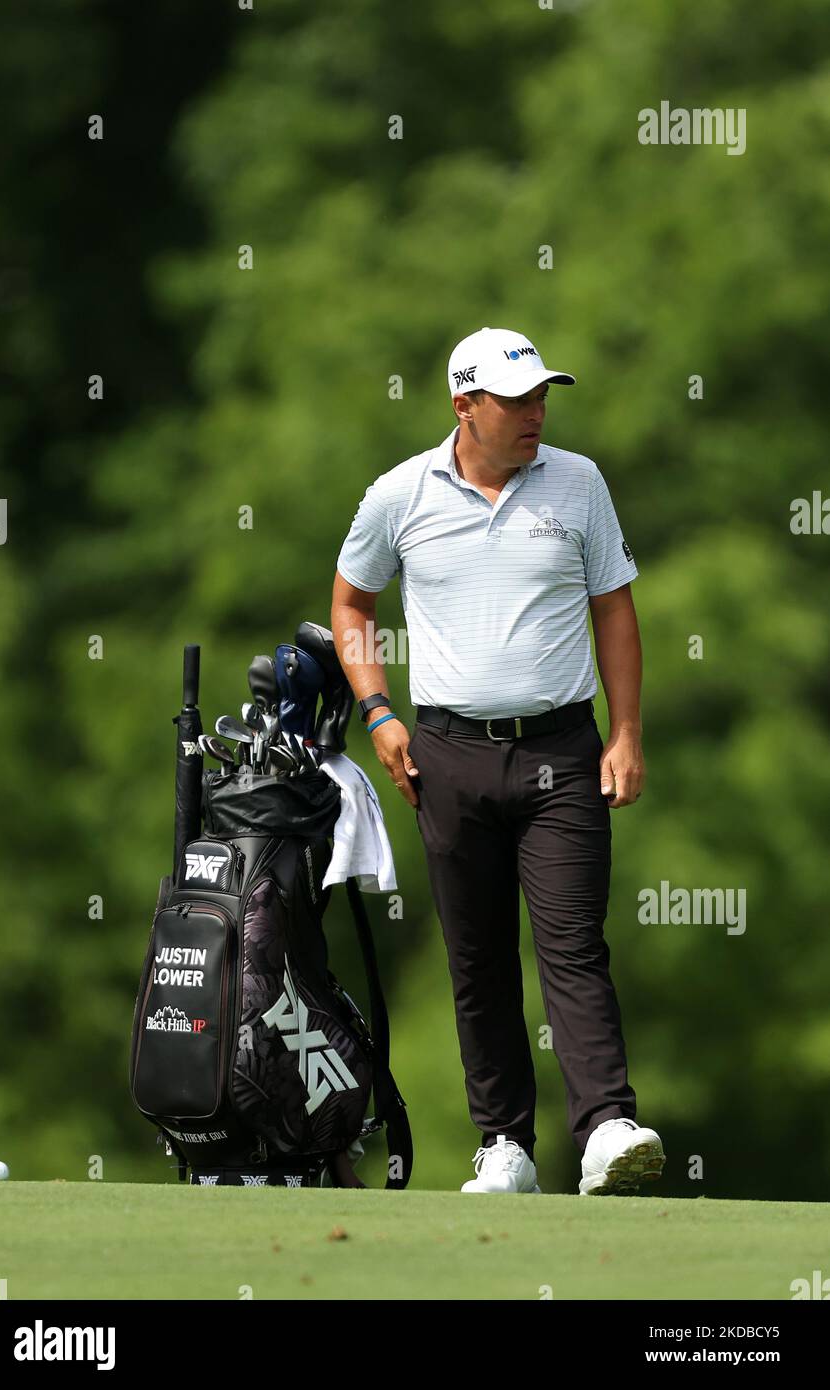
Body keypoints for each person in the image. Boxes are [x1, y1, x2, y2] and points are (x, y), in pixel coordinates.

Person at [331, 326, 665, 1196]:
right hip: (446, 755)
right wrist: (377, 714)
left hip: (561, 750)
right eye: (517, 401)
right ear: (464, 405)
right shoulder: (401, 494)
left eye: (542, 397)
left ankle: (604, 1128)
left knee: (572, 943)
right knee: (476, 957)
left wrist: (626, 732)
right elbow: (351, 600)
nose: (535, 414)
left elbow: (615, 609)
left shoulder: (579, 483)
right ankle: (504, 1146)